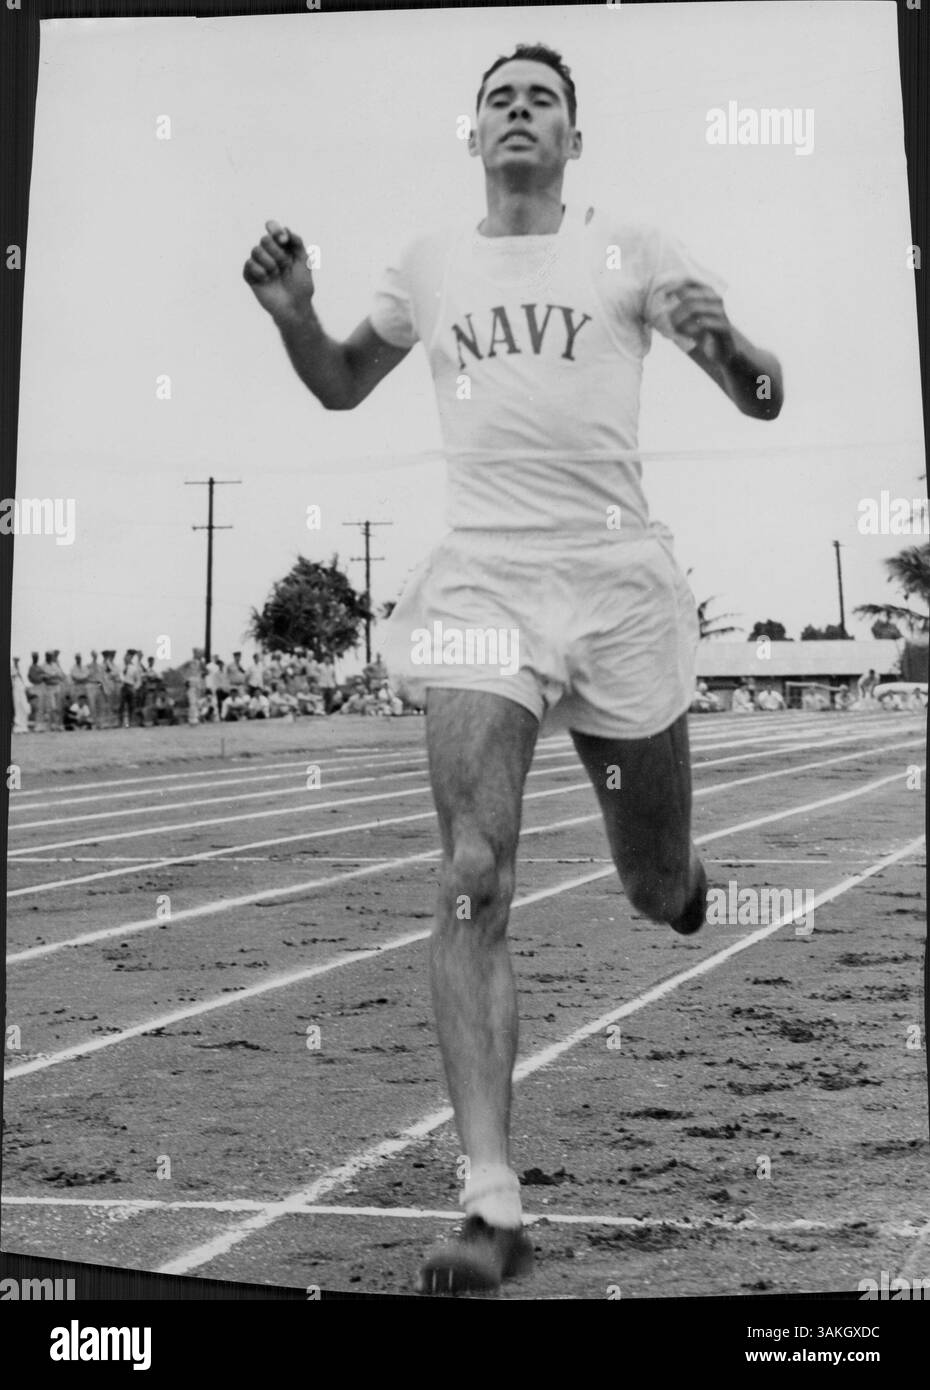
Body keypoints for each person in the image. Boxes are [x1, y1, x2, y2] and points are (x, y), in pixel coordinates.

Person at [243, 41, 783, 1295]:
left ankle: (684, 881)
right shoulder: (430, 265)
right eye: (500, 101)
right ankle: (490, 1202)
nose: (520, 114)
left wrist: (735, 340)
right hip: (485, 586)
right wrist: (294, 321)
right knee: (471, 870)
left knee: (650, 883)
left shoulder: (634, 250)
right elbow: (337, 386)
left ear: (574, 141)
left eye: (543, 100)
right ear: (473, 135)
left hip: (618, 585)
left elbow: (761, 394)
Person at [11, 658, 31, 733]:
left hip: (22, 692)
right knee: (18, 708)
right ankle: (18, 726)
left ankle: (23, 726)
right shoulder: (13, 670)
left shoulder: (20, 672)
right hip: (16, 692)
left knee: (24, 708)